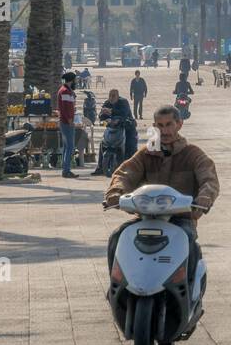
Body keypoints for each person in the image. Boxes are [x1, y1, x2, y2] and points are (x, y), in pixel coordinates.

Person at [104, 104, 221, 287]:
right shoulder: (146, 153)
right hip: (145, 217)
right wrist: (116, 192)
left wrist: (205, 198)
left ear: (179, 124)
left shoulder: (193, 154)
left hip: (180, 219)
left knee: (190, 244)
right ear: (154, 126)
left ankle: (190, 291)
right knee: (117, 237)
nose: (164, 130)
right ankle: (116, 286)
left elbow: (209, 179)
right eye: (160, 125)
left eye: (169, 124)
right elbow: (125, 173)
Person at [95, 88, 137, 169]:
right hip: (112, 128)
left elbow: (124, 113)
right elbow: (101, 114)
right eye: (110, 95)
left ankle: (132, 167)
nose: (111, 97)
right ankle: (99, 167)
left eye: (113, 96)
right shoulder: (107, 103)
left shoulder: (123, 102)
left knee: (131, 144)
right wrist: (103, 118)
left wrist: (111, 112)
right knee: (102, 143)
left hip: (127, 127)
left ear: (118, 96)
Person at [57, 71, 79, 178]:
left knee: (67, 147)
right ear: (71, 80)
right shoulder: (65, 91)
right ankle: (66, 170)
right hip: (66, 122)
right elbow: (66, 108)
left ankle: (65, 169)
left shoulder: (67, 90)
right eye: (75, 80)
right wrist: (70, 120)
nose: (76, 82)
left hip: (65, 121)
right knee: (70, 147)